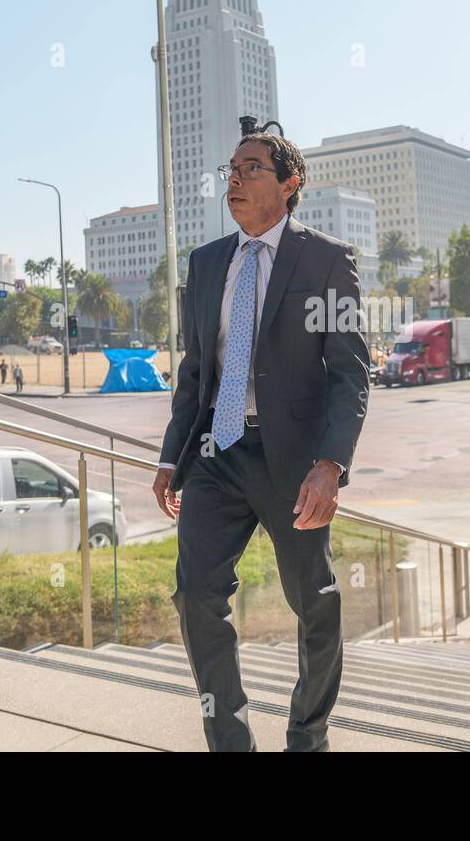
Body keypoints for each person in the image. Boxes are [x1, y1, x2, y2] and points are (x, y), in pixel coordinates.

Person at [152, 132, 370, 752]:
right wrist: (172, 454)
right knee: (196, 594)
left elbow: (352, 372)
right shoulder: (206, 261)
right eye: (232, 168)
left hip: (295, 463)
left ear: (288, 183)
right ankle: (229, 738)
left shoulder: (327, 260)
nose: (236, 179)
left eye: (252, 168)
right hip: (215, 455)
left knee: (316, 604)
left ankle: (308, 735)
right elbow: (197, 369)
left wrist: (330, 464)